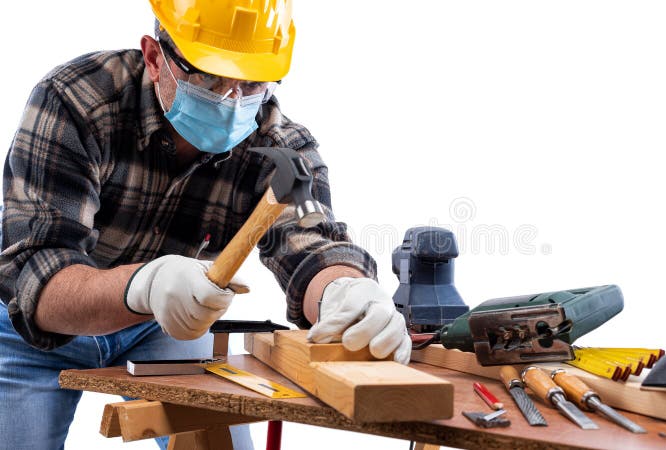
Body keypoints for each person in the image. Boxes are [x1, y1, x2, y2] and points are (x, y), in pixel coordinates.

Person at [0, 1, 411, 448]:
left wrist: (343, 291)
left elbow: (311, 245)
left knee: (220, 443)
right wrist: (141, 285)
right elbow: (38, 279)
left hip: (163, 325)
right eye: (211, 76)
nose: (233, 100)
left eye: (253, 80)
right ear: (156, 57)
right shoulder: (77, 99)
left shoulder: (281, 146)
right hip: (31, 326)